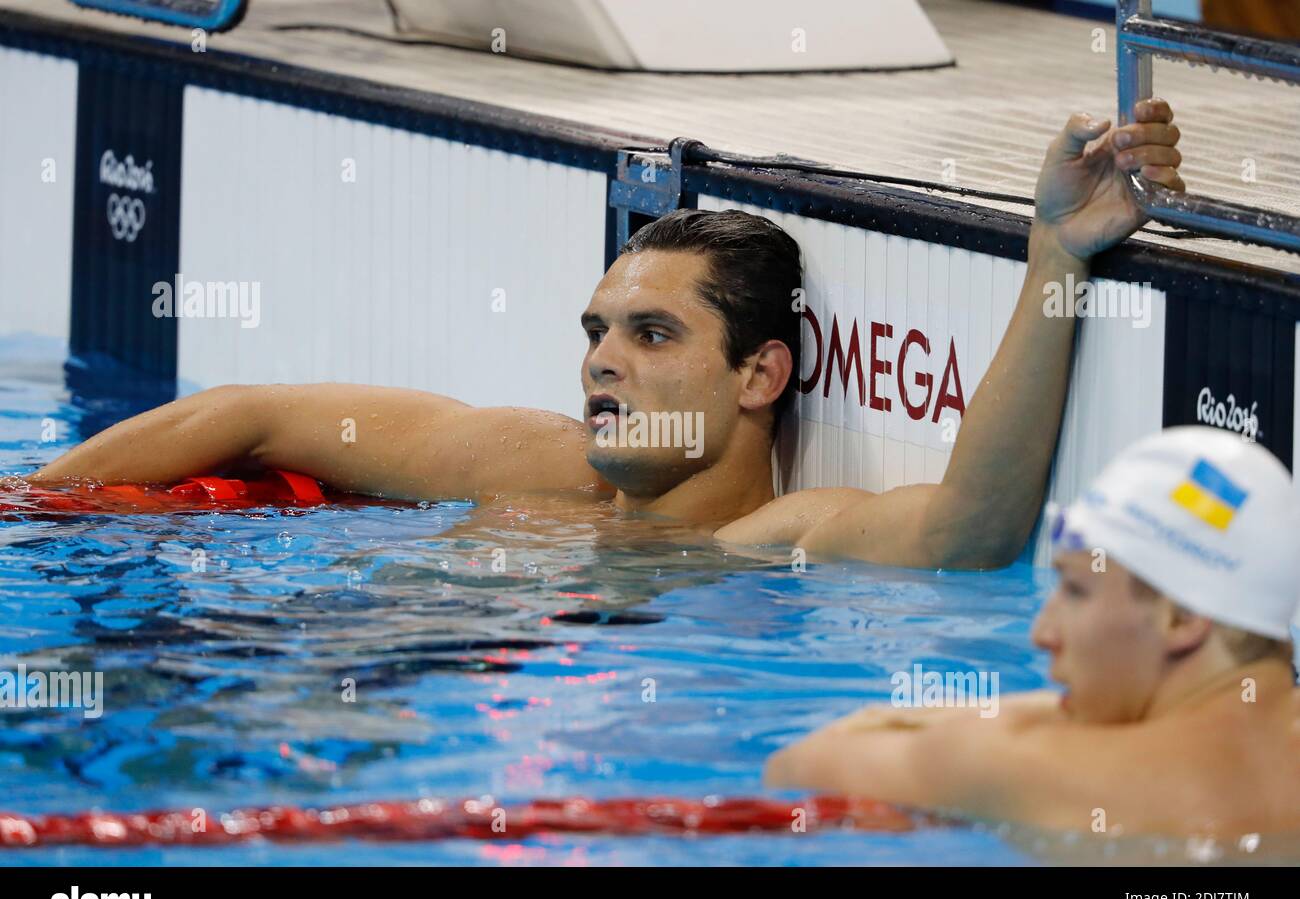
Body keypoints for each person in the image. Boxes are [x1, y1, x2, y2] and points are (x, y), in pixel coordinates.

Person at [27, 101, 1185, 570]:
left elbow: (974, 526)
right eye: (596, 330)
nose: (600, 360)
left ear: (758, 374)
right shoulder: (532, 465)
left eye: (651, 332)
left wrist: (1053, 255)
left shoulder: (773, 538)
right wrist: (33, 507)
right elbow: (246, 412)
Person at [766, 426, 1300, 837]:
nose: (1043, 633)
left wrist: (1019, 720)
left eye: (1076, 591)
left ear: (1182, 618)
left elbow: (796, 768)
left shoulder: (1041, 771)